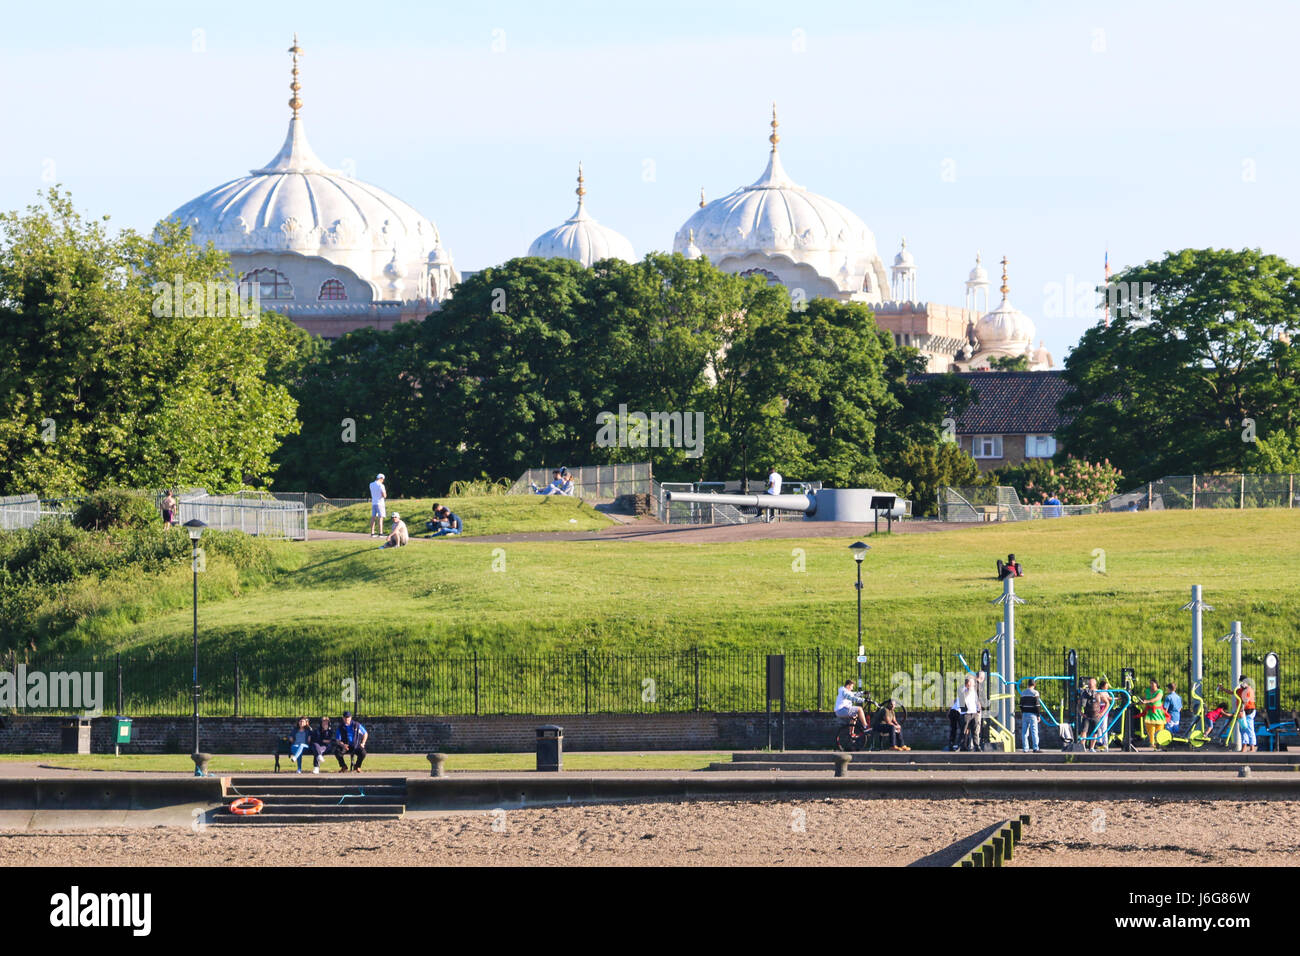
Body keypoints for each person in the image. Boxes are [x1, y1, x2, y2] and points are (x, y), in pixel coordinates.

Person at [1139, 678, 1169, 748]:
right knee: (1150, 729)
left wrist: (1147, 701)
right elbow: (1144, 698)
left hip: (1158, 712)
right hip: (1150, 712)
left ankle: (1159, 742)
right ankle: (1152, 743)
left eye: (1152, 683)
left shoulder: (1160, 691)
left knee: (1160, 728)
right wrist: (1141, 701)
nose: (1151, 685)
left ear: (1156, 684)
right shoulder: (1147, 691)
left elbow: (1156, 699)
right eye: (1150, 683)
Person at [959, 673, 984, 751]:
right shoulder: (962, 689)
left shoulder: (973, 690)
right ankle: (961, 745)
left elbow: (976, 699)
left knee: (975, 730)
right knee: (964, 730)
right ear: (968, 683)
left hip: (974, 712)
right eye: (972, 682)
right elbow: (962, 698)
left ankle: (977, 746)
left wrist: (978, 707)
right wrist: (968, 689)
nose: (974, 684)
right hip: (966, 713)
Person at [1079, 677, 1103, 752]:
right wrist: (1081, 713)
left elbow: (1107, 702)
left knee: (1094, 732)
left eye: (1091, 683)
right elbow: (1079, 703)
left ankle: (1092, 747)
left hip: (1096, 715)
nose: (1089, 684)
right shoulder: (1085, 693)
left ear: (1095, 684)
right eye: (1089, 683)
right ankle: (1082, 746)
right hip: (1087, 715)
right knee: (1084, 731)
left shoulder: (1099, 693)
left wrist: (1102, 713)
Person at [1234, 677, 1257, 752]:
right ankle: (1244, 746)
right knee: (1243, 729)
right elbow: (1233, 692)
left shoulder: (1249, 690)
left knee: (1249, 728)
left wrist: (1242, 709)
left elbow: (1246, 700)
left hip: (1249, 710)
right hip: (1242, 711)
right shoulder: (1240, 690)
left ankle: (1252, 747)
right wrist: (1223, 689)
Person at [1019, 679, 1042, 752]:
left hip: (1025, 714)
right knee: (1034, 731)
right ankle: (1035, 748)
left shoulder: (1023, 693)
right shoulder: (1035, 693)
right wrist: (1038, 715)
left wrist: (1023, 712)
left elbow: (1021, 705)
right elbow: (1037, 705)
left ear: (1027, 685)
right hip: (1033, 715)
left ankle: (1025, 748)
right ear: (1034, 685)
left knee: (1024, 732)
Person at [1096, 678, 1113, 751]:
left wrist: (1117, 698)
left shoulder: (1106, 692)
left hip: (1104, 710)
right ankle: (1099, 742)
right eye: (1106, 685)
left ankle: (1105, 743)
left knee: (1104, 727)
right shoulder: (1099, 692)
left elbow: (1109, 698)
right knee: (1099, 727)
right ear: (1103, 686)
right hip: (1099, 709)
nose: (1107, 686)